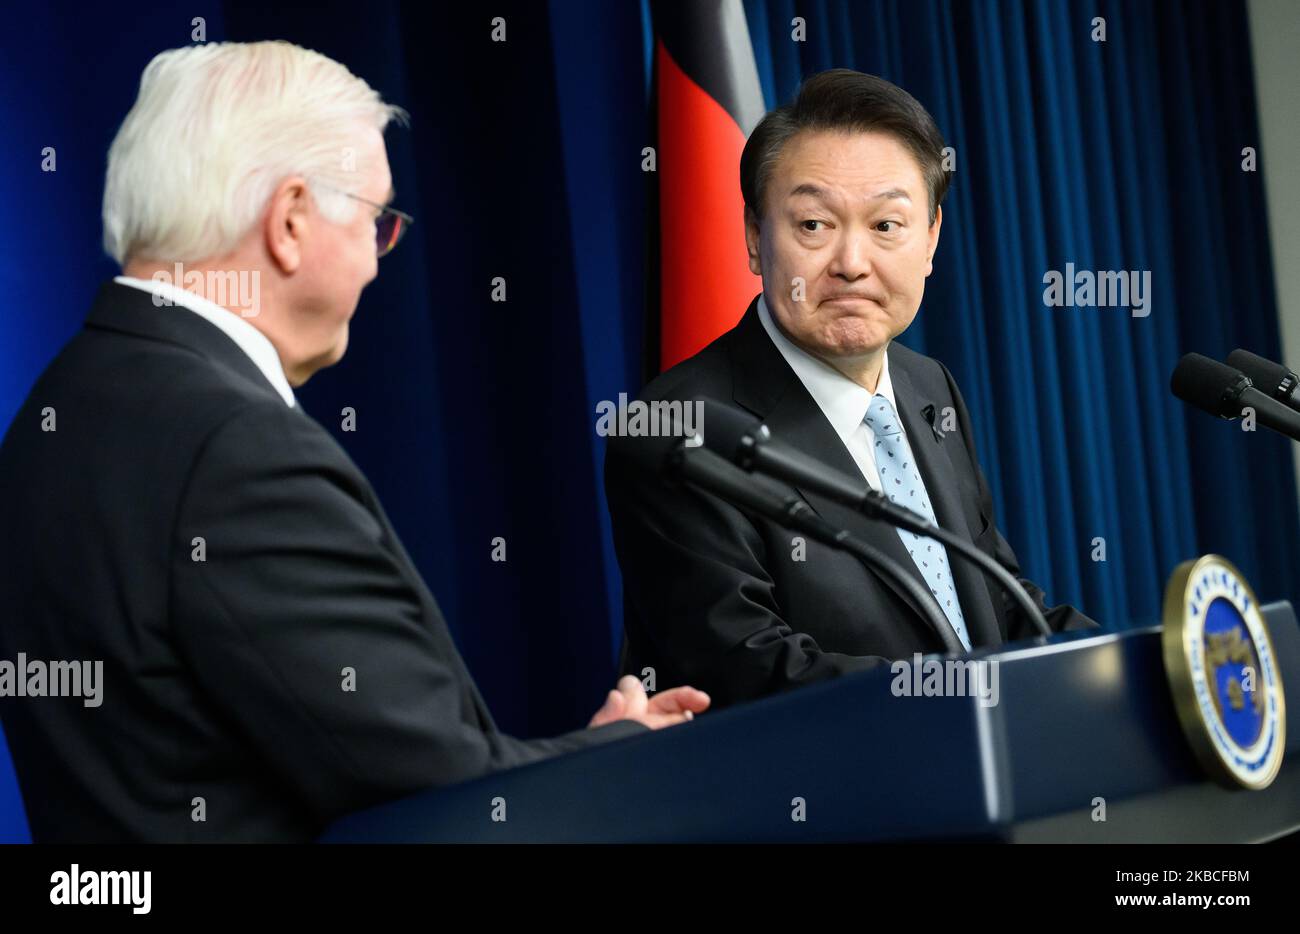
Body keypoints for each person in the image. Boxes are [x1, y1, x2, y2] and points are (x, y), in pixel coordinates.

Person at [0, 40, 708, 843]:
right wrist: (625, 751)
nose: (378, 265)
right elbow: (438, 805)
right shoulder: (238, 451)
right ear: (292, 220)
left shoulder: (52, 416)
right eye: (377, 223)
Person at [606, 69, 1097, 710]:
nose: (851, 263)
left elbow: (996, 607)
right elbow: (753, 673)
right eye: (813, 225)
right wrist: (972, 701)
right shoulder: (678, 429)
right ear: (755, 238)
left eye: (887, 225)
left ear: (931, 239)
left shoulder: (928, 387)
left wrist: (1139, 664)